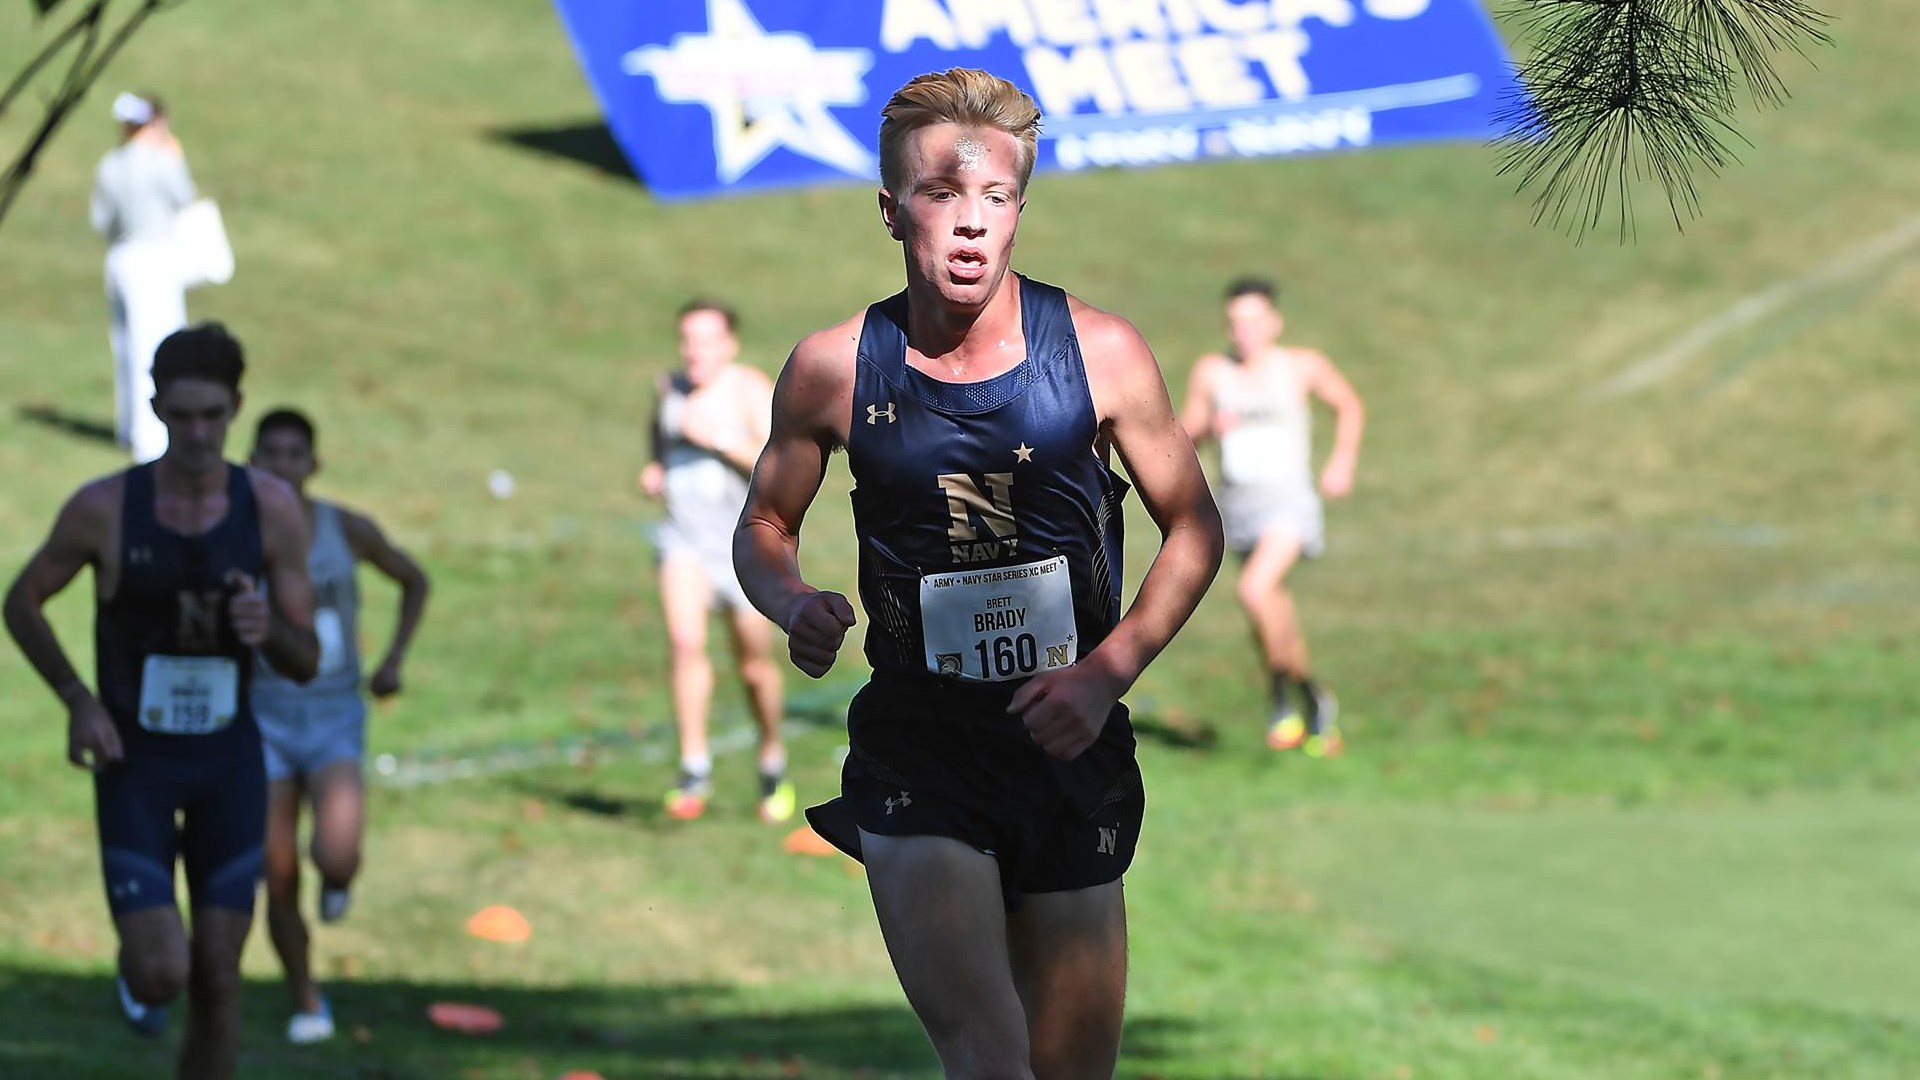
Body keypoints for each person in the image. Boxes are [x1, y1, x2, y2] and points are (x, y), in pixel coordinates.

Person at [733, 69, 1223, 1078]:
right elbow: (765, 523)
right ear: (891, 211)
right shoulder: (833, 367)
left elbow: (1193, 528)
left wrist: (1106, 673)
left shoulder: (1101, 352)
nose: (971, 222)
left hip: (1068, 745)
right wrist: (792, 601)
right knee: (989, 1057)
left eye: (996, 197)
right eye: (942, 193)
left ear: (1020, 211)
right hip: (921, 745)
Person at [2, 323, 318, 1080]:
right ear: (155, 409)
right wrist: (78, 700)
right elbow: (22, 602)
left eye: (212, 415)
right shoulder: (105, 508)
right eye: (181, 416)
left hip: (227, 762)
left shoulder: (271, 509)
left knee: (218, 972)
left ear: (236, 408)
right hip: (135, 762)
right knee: (162, 972)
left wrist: (267, 628)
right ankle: (137, 971)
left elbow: (306, 659)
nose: (198, 434)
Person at [248, 407, 431, 1044]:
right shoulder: (234, 531)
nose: (281, 465)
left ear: (314, 464)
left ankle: (338, 880)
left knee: (336, 852)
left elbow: (413, 579)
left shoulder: (344, 528)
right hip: (262, 715)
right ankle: (305, 997)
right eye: (270, 453)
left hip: (332, 714)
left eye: (293, 454)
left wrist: (393, 660)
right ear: (251, 461)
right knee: (276, 874)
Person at [1179, 277, 1365, 757]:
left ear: (1274, 323)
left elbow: (1348, 405)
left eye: (1254, 321)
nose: (1244, 331)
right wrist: (1209, 426)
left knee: (1255, 590)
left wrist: (1342, 462)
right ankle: (1312, 699)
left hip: (1289, 504)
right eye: (1235, 322)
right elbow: (1184, 435)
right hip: (1238, 507)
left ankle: (1281, 698)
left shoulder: (1300, 365)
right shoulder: (1213, 372)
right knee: (1270, 610)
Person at [639, 299, 792, 823]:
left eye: (705, 341)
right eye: (686, 340)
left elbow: (778, 465)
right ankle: (694, 766)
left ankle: (771, 755)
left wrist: (719, 439)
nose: (693, 351)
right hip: (682, 541)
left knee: (753, 667)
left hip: (742, 547)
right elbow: (659, 434)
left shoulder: (749, 389)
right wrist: (656, 466)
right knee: (685, 643)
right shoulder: (670, 388)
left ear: (729, 344)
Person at [92, 92, 198, 464]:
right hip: (154, 256)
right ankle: (151, 438)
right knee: (156, 345)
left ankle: (128, 426)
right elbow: (185, 198)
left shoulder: (110, 164)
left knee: (126, 344)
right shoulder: (162, 160)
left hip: (121, 257)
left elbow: (102, 220)